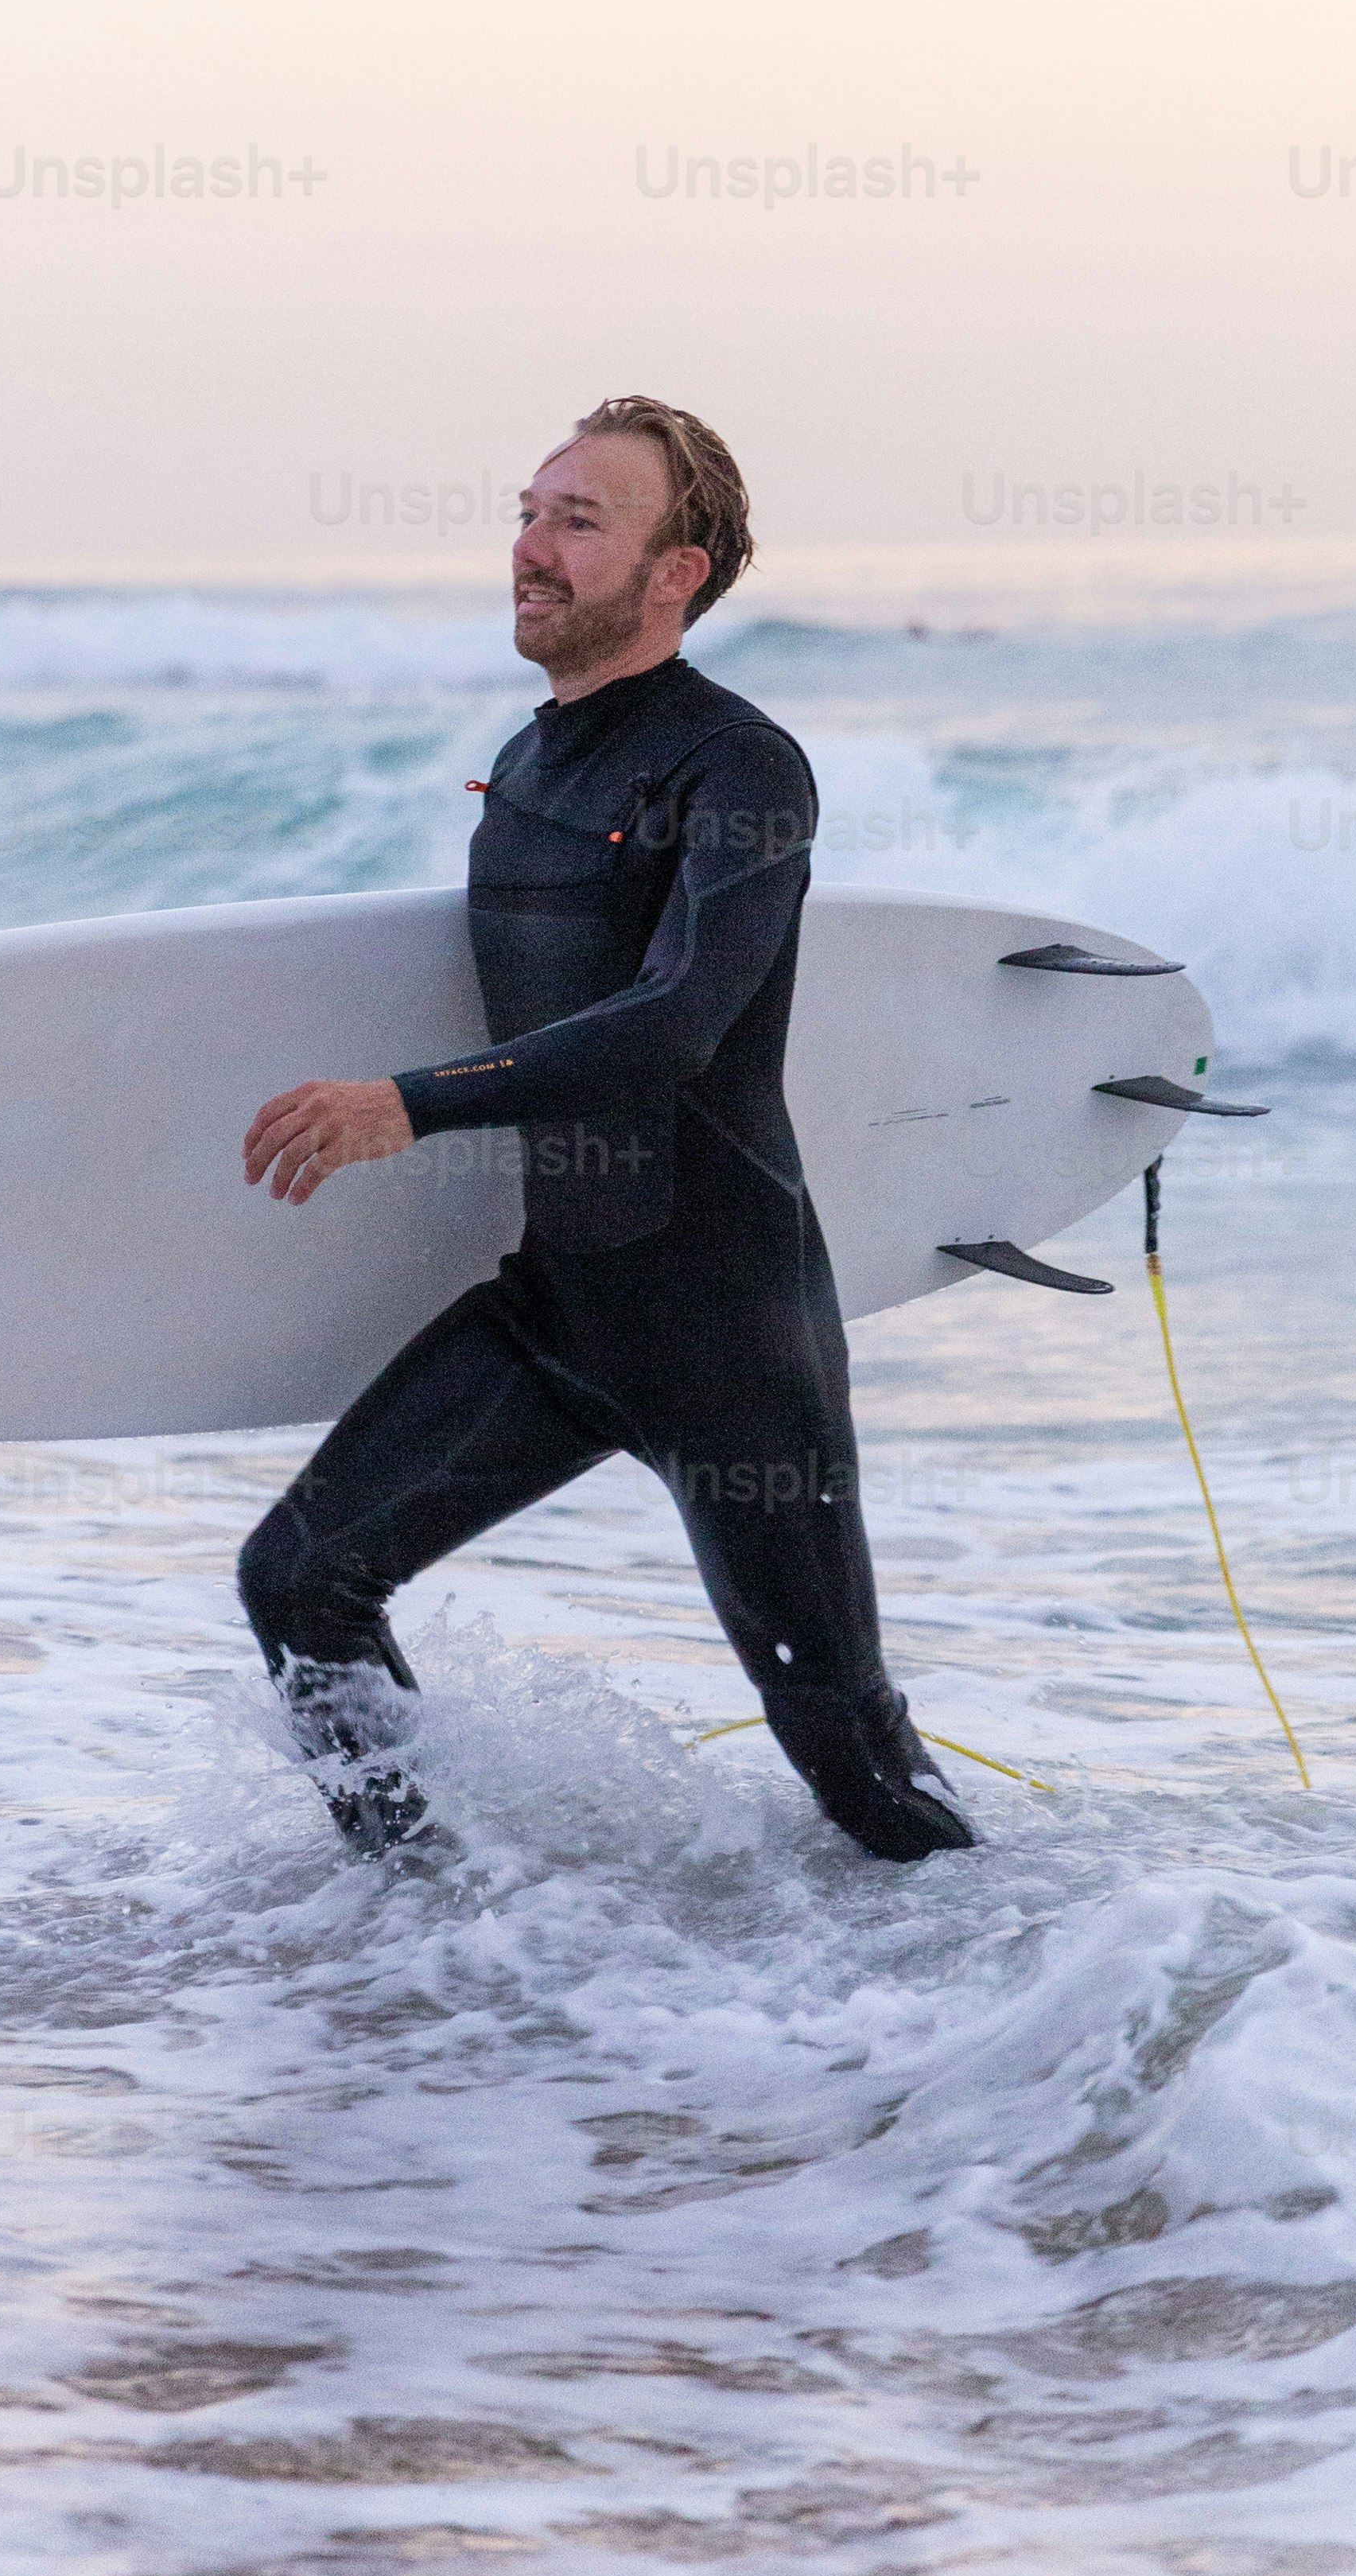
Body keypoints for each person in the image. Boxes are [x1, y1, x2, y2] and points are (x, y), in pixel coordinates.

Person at [235, 397, 977, 1867]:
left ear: (675, 573)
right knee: (302, 1583)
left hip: (726, 1337)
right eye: (529, 512)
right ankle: (435, 1938)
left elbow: (676, 1023)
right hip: (561, 1312)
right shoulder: (526, 763)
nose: (531, 548)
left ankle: (1039, 2003)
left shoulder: (741, 767)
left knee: (854, 1765)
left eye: (580, 521)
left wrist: (413, 1102)